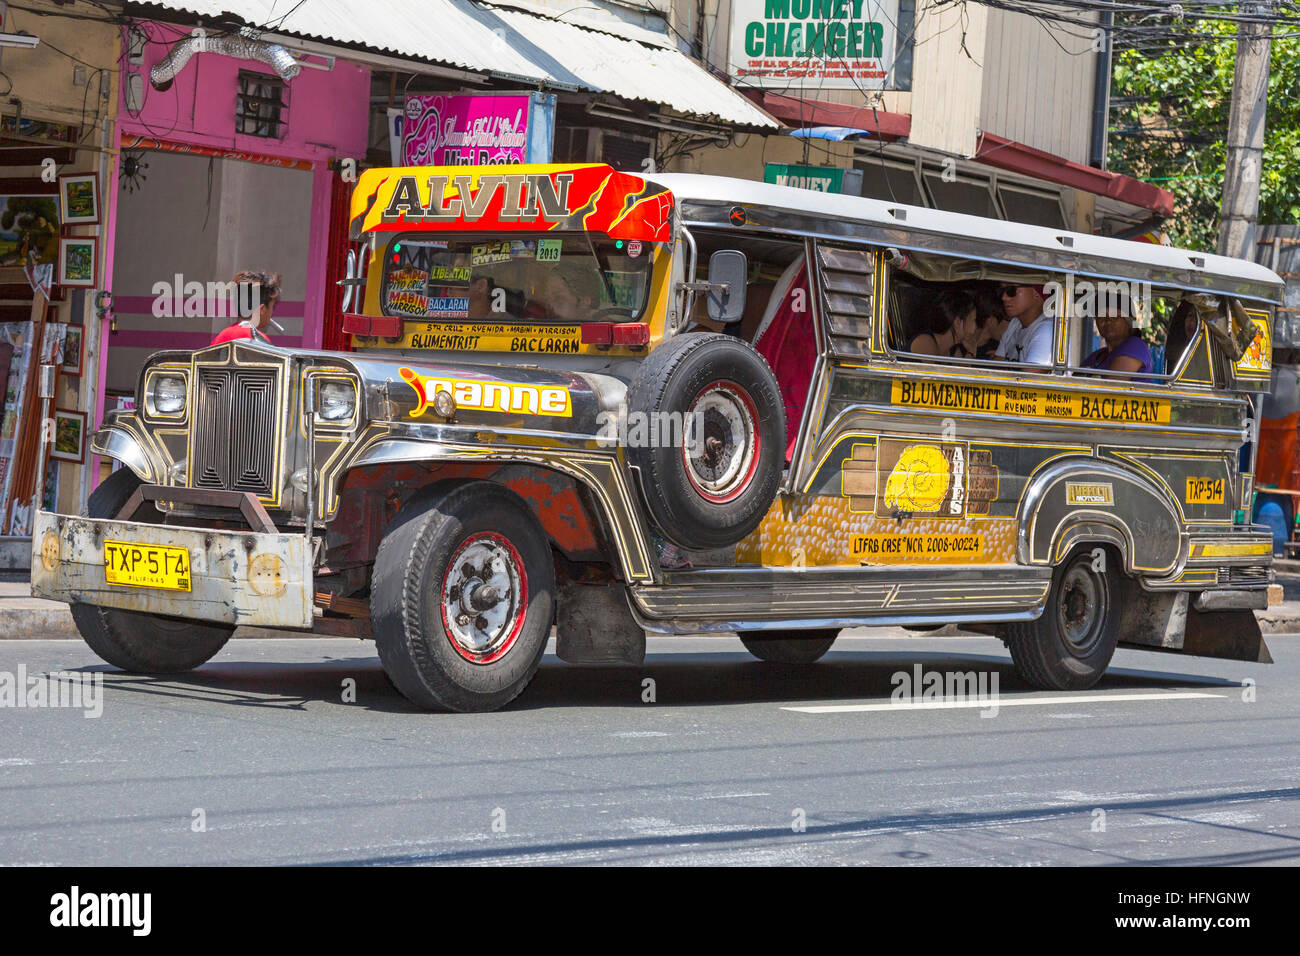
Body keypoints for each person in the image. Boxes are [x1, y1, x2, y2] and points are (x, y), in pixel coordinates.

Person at [1081, 305, 1154, 376]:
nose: (1108, 321)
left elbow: (1109, 385)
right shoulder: (1098, 355)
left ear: (1128, 321)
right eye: (1101, 317)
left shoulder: (1135, 347)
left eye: (1114, 317)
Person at [212, 271, 281, 344]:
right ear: (262, 309)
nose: (271, 313)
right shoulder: (260, 340)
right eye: (272, 307)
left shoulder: (222, 336)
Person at [994, 284, 1053, 367]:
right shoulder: (1015, 323)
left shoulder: (1047, 330)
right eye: (1001, 291)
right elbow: (997, 367)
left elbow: (1032, 377)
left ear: (1036, 293)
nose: (1004, 297)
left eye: (1011, 291)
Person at [908, 289, 976, 356]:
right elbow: (933, 367)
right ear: (958, 322)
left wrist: (971, 352)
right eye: (973, 320)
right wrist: (971, 353)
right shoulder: (924, 343)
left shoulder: (955, 351)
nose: (975, 326)